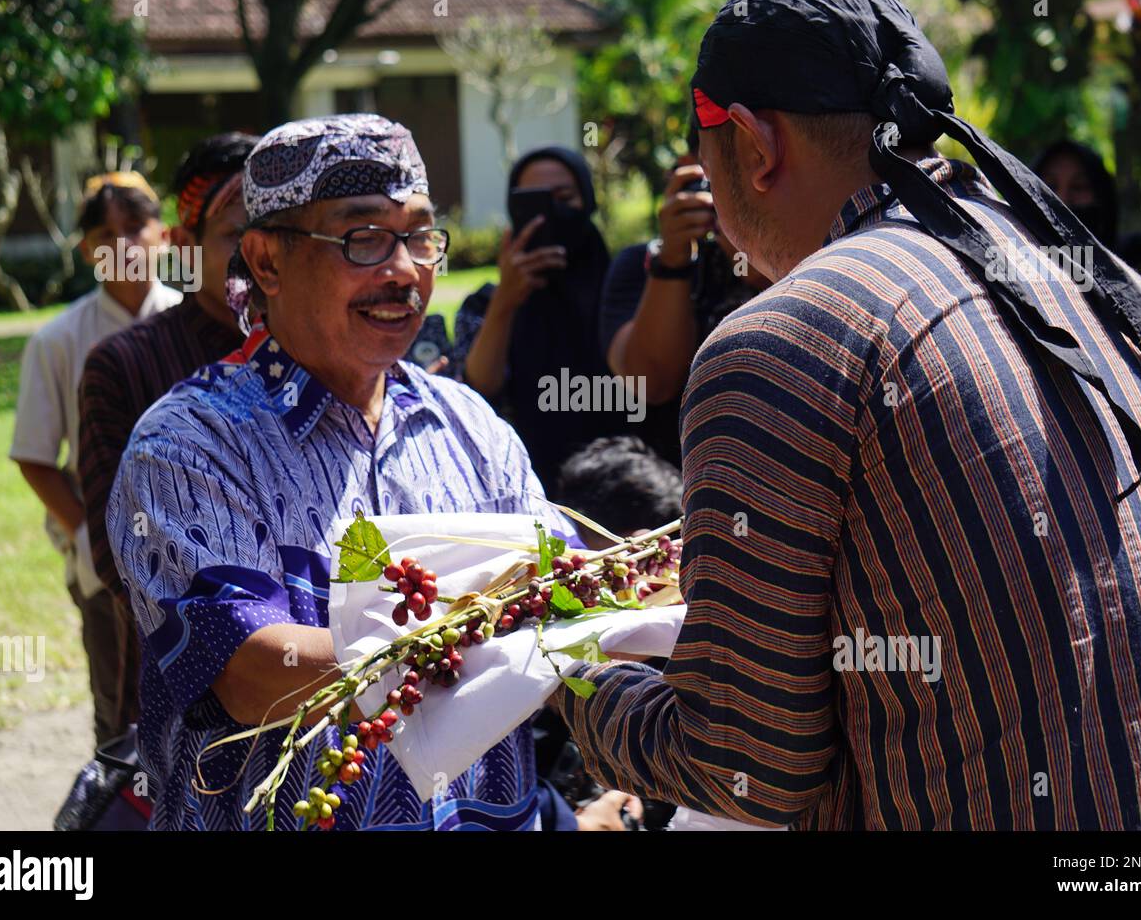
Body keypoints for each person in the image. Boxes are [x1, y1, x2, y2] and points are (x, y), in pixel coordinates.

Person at [553, 0, 1141, 830]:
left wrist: (566, 667)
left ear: (757, 147)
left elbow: (745, 767)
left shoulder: (785, 338)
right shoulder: (1126, 301)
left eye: (700, 139)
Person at [107, 114, 575, 831]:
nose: (404, 271)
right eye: (363, 239)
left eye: (420, 236)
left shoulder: (470, 426)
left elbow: (562, 596)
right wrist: (470, 631)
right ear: (266, 262)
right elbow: (252, 669)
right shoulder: (188, 446)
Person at [77, 132, 258, 742]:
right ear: (184, 245)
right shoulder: (123, 366)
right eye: (238, 234)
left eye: (282, 229)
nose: (262, 253)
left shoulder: (325, 358)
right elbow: (118, 556)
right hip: (187, 720)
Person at [9, 171, 182, 748]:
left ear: (165, 235)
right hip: (104, 567)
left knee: (202, 714)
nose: (124, 246)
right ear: (87, 250)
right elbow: (35, 454)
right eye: (106, 236)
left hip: (198, 555)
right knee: (122, 723)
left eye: (136, 227)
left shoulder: (193, 326)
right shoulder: (59, 341)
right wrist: (88, 533)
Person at [453, 147, 623, 488]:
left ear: (588, 200)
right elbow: (479, 391)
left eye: (564, 197)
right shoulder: (484, 304)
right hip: (529, 490)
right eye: (535, 201)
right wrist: (506, 301)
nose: (553, 212)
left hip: (624, 482)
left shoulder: (624, 288)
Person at [600, 136, 769, 465]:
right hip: (669, 479)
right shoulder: (641, 265)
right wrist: (673, 261)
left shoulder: (804, 248)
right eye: (708, 182)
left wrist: (762, 261)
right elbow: (649, 383)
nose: (720, 198)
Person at [1034, 138, 1141, 298]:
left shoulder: (1135, 265)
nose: (1062, 199)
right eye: (1049, 186)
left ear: (1102, 196)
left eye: (1078, 187)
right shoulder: (1017, 267)